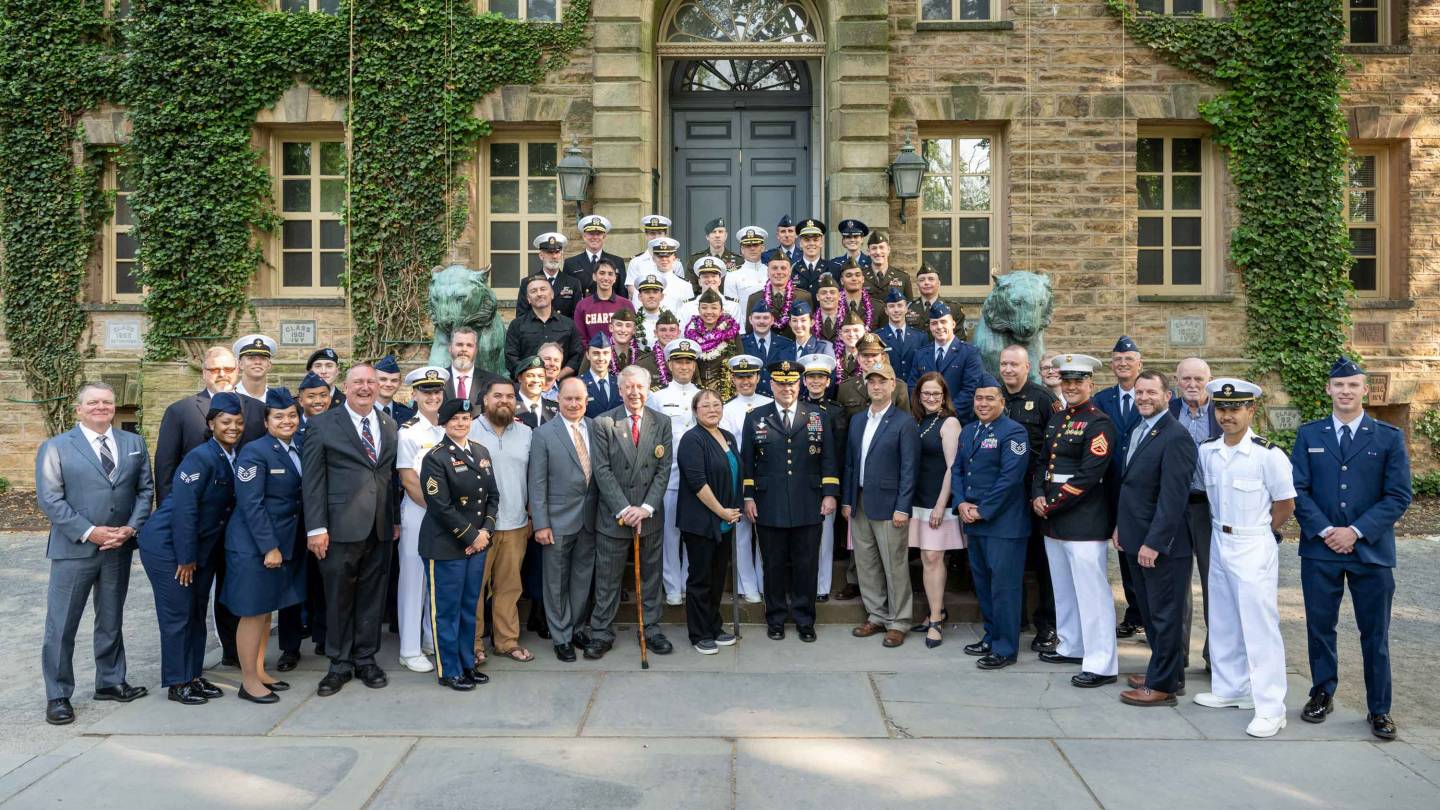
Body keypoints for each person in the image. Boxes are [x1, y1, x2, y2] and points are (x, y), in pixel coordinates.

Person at [1292, 357, 1412, 740]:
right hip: (1320, 548)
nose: (1346, 391)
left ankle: (1379, 708)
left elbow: (1398, 496)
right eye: (1339, 385)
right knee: (1320, 627)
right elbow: (1298, 490)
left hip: (1371, 551)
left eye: (1353, 385)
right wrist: (1328, 530)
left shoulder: (1388, 437)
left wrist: (1356, 531)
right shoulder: (1310, 435)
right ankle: (1322, 693)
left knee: (1374, 633)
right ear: (1328, 389)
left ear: (1365, 390)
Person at [37, 382, 154, 725]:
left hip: (118, 546)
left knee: (111, 618)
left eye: (107, 402)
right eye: (93, 402)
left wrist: (130, 528)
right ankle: (58, 695)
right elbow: (50, 499)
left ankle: (111, 681)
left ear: (114, 407)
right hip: (75, 549)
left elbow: (145, 490)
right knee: (62, 624)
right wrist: (90, 532)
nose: (101, 407)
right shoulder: (56, 447)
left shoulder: (133, 443)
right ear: (79, 409)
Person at [1194, 378, 1296, 738]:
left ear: (1251, 410)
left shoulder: (1268, 455)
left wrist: (1261, 532)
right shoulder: (1208, 451)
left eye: (1235, 408)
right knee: (1222, 618)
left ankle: (1271, 707)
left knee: (1259, 625)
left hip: (1253, 541)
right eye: (1221, 408)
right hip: (1219, 539)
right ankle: (1232, 688)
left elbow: (1285, 505)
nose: (1227, 415)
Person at [153, 345, 266, 668]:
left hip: (237, 524)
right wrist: (176, 530)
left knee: (234, 591)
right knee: (193, 596)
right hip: (197, 523)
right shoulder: (181, 410)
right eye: (215, 369)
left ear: (237, 371)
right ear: (204, 372)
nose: (222, 375)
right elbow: (166, 470)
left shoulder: (256, 410)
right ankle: (188, 666)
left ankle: (234, 653)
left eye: (228, 369)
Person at [138, 391, 243, 706]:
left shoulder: (231, 455)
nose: (233, 427)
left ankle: (194, 675)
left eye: (238, 422)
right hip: (170, 546)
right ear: (211, 423)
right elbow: (185, 511)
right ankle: (177, 682)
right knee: (178, 614)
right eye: (226, 422)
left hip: (197, 548)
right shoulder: (200, 457)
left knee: (196, 612)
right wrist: (185, 558)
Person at [302, 363, 399, 697]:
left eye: (371, 382)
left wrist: (394, 519)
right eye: (358, 381)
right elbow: (312, 481)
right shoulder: (322, 425)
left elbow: (389, 478)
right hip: (339, 528)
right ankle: (339, 664)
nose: (365, 387)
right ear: (345, 385)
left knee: (372, 596)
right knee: (338, 598)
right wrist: (316, 528)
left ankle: (365, 658)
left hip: (380, 527)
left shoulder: (388, 424)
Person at [1030, 354, 1119, 688]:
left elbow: (1088, 475)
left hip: (1083, 520)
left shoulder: (1099, 423)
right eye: (1067, 382)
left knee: (1092, 594)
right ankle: (1072, 645)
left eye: (1078, 382)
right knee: (1064, 589)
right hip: (1054, 520)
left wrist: (1050, 503)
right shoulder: (1057, 419)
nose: (1072, 387)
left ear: (1090, 385)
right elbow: (1043, 462)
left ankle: (1102, 663)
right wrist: (1037, 494)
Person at [1113, 371, 1198, 708]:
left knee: (1164, 615)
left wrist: (1154, 542)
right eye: (1139, 392)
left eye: (1151, 392)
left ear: (1168, 395)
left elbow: (1173, 497)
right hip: (1136, 536)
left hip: (1161, 544)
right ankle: (1168, 672)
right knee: (1149, 613)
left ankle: (1161, 687)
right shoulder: (1140, 427)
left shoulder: (1175, 436)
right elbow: (1132, 485)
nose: (1144, 398)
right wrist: (1123, 527)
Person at [222, 388, 309, 704]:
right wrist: (268, 547)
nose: (287, 421)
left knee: (265, 611)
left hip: (284, 543)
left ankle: (259, 671)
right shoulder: (255, 452)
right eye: (279, 416)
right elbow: (251, 503)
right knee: (253, 611)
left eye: (291, 415)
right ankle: (248, 682)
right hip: (254, 546)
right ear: (267, 421)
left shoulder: (296, 446)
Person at [742, 360, 839, 643]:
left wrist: (830, 493)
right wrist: (748, 496)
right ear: (771, 385)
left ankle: (805, 620)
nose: (787, 388)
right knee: (772, 564)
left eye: (792, 383)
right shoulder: (756, 416)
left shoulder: (817, 416)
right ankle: (775, 619)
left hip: (808, 500)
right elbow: (748, 460)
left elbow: (829, 456)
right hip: (768, 501)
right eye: (781, 383)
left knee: (806, 564)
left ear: (800, 385)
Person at [587, 365, 675, 658]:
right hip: (615, 516)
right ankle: (600, 632)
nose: (634, 393)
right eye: (629, 387)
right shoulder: (603, 423)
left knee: (651, 577)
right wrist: (625, 509)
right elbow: (602, 470)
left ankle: (651, 629)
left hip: (649, 516)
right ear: (620, 389)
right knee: (607, 578)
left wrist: (646, 508)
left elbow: (663, 470)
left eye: (640, 387)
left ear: (648, 389)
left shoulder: (661, 422)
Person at [419, 397, 498, 690]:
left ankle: (467, 663)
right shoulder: (436, 457)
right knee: (447, 612)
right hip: (445, 546)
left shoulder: (480, 451)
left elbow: (492, 497)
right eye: (454, 419)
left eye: (465, 418)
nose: (461, 423)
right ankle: (448, 670)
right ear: (444, 422)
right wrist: (471, 536)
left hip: (477, 545)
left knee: (468, 609)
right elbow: (439, 505)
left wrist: (485, 532)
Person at [953, 374, 1031, 669]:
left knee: (1004, 588)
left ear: (1002, 401)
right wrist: (960, 502)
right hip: (974, 520)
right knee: (983, 585)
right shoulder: (969, 431)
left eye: (989, 398)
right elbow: (958, 470)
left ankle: (1005, 648)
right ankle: (991, 635)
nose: (983, 403)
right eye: (978, 398)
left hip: (1003, 524)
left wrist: (983, 509)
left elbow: (1010, 478)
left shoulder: (1014, 432)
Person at [843, 361, 920, 648]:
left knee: (894, 564)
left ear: (892, 385)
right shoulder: (858, 420)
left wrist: (903, 506)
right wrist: (848, 500)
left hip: (890, 505)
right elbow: (851, 464)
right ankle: (876, 615)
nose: (876, 386)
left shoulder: (904, 422)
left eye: (882, 381)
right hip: (861, 501)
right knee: (866, 563)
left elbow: (909, 469)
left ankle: (899, 621)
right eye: (871, 382)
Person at [528, 378, 599, 662]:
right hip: (556, 521)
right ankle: (560, 637)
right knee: (556, 581)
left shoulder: (595, 428)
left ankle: (577, 627)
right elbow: (537, 482)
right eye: (568, 399)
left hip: (590, 519)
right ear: (558, 401)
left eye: (578, 399)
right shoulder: (544, 434)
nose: (573, 404)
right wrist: (542, 523)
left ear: (586, 401)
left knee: (582, 578)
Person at [468, 376, 535, 663]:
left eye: (510, 396)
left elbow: (534, 477)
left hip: (516, 523)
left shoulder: (526, 433)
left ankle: (506, 641)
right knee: (474, 588)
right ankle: (472, 645)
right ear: (485, 399)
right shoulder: (468, 430)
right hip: (479, 527)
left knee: (509, 587)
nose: (504, 401)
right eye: (498, 396)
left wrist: (531, 514)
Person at [999, 344, 1061, 651]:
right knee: (1012, 558)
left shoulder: (1043, 399)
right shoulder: (994, 396)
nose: (1008, 369)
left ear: (1027, 368)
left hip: (1034, 490)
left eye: (1014, 364)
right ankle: (1016, 619)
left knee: (1042, 560)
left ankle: (1047, 624)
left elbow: (1054, 450)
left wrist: (1042, 491)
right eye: (1004, 364)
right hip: (1003, 494)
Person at [677, 389, 744, 654]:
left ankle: (714, 626)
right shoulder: (691, 440)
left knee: (717, 578)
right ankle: (699, 633)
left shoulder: (727, 437)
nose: (712, 409)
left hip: (725, 519)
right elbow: (698, 483)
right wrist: (722, 511)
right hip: (701, 521)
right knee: (700, 578)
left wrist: (733, 509)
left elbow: (735, 472)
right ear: (695, 411)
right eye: (705, 406)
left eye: (717, 404)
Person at [394, 367, 448, 673]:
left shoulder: (446, 427)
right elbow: (409, 479)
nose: (432, 397)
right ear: (414, 395)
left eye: (437, 391)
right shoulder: (409, 431)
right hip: (419, 513)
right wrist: (439, 510)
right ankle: (409, 649)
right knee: (414, 581)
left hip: (441, 515)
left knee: (435, 579)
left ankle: (429, 640)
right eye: (426, 392)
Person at [1169, 356, 1221, 669]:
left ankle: (1216, 657)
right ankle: (1175, 657)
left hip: (1209, 509)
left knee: (1214, 583)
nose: (1191, 385)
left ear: (1208, 382)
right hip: (1174, 508)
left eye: (1198, 380)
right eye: (1185, 379)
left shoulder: (1223, 412)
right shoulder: (1168, 412)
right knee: (1175, 585)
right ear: (1177, 381)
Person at [1094, 335, 1146, 638]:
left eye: (1128, 359)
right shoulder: (1103, 399)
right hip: (1111, 485)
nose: (1123, 364)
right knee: (1122, 552)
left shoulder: (1150, 395)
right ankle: (1133, 611)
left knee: (1141, 550)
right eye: (1118, 360)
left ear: (1139, 363)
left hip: (1140, 488)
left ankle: (1145, 611)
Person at [907, 372, 964, 649]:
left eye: (936, 394)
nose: (930, 398)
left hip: (936, 502)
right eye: (925, 393)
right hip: (914, 500)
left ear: (944, 397)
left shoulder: (949, 422)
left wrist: (942, 504)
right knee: (924, 557)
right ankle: (934, 611)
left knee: (932, 558)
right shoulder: (916, 421)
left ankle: (936, 620)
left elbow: (954, 467)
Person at [649, 338, 702, 605]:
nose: (684, 366)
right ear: (669, 364)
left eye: (688, 361)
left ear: (695, 365)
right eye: (679, 361)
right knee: (670, 535)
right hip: (668, 476)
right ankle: (672, 587)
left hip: (698, 479)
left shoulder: (704, 396)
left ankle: (690, 583)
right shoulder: (657, 397)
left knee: (692, 534)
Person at [721, 354, 772, 604]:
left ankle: (765, 583)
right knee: (742, 536)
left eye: (749, 376)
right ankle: (747, 585)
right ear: (733, 378)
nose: (745, 381)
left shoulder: (769, 403)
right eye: (740, 377)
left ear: (758, 377)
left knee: (765, 533)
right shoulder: (727, 409)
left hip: (765, 477)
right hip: (739, 478)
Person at [800, 353, 847, 602]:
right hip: (800, 480)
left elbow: (838, 452)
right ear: (804, 381)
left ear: (828, 381)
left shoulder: (837, 411)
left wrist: (833, 486)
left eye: (821, 377)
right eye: (811, 377)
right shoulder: (797, 406)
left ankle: (822, 586)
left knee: (825, 538)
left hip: (825, 481)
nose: (816, 381)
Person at [907, 302, 984, 424]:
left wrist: (946, 413)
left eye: (943, 322)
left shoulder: (970, 353)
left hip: (958, 420)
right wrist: (924, 411)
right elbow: (913, 387)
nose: (939, 327)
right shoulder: (920, 354)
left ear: (953, 324)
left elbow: (970, 389)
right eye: (934, 323)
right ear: (930, 327)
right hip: (925, 420)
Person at [506, 275, 585, 379]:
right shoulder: (516, 325)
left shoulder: (569, 324)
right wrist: (531, 376)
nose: (539, 294)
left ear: (552, 294)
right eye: (533, 291)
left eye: (543, 289)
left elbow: (577, 356)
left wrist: (557, 378)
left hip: (560, 386)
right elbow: (511, 357)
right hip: (528, 384)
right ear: (528, 299)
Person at [684, 285, 743, 399]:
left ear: (721, 310)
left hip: (726, 388)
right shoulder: (691, 333)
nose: (709, 312)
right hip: (696, 387)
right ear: (699, 310)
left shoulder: (730, 332)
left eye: (714, 308)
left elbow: (738, 361)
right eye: (704, 307)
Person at [836, 333, 910, 416]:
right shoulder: (845, 387)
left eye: (874, 355)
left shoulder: (898, 387)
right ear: (858, 358)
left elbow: (904, 422)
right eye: (865, 355)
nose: (870, 359)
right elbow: (842, 425)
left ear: (882, 358)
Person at [746, 253, 815, 341]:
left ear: (790, 272)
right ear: (768, 272)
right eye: (774, 268)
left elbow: (809, 331)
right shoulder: (754, 298)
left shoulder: (804, 297)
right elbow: (749, 332)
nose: (779, 272)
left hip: (795, 350)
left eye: (783, 268)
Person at [516, 232, 582, 319]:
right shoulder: (528, 283)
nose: (554, 256)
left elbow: (577, 317)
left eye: (557, 252)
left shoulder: (573, 283)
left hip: (564, 331)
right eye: (549, 252)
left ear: (561, 255)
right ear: (541, 256)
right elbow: (521, 316)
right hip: (536, 331)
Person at [740, 299, 797, 397]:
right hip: (749, 398)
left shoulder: (786, 344)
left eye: (766, 318)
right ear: (750, 320)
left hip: (777, 399)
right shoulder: (741, 343)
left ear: (772, 320)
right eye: (757, 318)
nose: (761, 321)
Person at [573, 257, 635, 344]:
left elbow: (631, 333)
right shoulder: (582, 305)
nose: (606, 278)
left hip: (620, 355)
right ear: (594, 276)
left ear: (615, 278)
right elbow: (580, 337)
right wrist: (590, 352)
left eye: (610, 274)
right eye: (602, 273)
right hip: (592, 355)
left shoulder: (626, 304)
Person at [566, 214, 626, 295]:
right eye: (591, 234)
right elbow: (567, 294)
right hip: (583, 307)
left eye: (598, 234)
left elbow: (622, 293)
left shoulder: (617, 262)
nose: (594, 237)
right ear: (584, 236)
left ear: (604, 237)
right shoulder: (571, 263)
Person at [444, 326, 504, 407]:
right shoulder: (440, 379)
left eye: (469, 345)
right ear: (450, 348)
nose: (464, 349)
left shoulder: (492, 381)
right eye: (459, 344)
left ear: (476, 350)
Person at [876, 288, 924, 384]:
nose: (896, 310)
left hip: (914, 390)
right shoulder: (877, 337)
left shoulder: (920, 337)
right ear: (886, 310)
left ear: (906, 308)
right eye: (892, 306)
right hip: (889, 390)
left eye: (900, 305)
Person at [633, 236, 691, 313]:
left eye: (668, 255)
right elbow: (637, 309)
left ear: (674, 258)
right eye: (660, 256)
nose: (664, 259)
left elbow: (689, 313)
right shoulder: (642, 283)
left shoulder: (685, 285)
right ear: (653, 258)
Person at [686, 216, 742, 295]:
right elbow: (691, 287)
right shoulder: (695, 260)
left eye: (720, 231)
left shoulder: (738, 260)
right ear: (707, 237)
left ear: (726, 236)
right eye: (713, 232)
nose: (717, 235)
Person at [625, 214, 674, 296]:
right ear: (646, 235)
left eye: (659, 233)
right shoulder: (636, 262)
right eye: (652, 233)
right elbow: (632, 290)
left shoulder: (675, 263)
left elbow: (679, 287)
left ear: (665, 235)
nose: (656, 237)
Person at [862, 231, 914, 301]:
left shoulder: (903, 277)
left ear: (888, 250)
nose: (878, 252)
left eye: (881, 247)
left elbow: (909, 305)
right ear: (868, 251)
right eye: (874, 248)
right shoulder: (860, 276)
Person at [725, 225, 770, 307]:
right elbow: (731, 307)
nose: (752, 249)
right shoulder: (733, 275)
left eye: (756, 245)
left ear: (762, 248)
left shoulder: (771, 272)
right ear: (742, 250)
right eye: (748, 246)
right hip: (743, 319)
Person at [581, 333, 623, 417]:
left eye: (605, 353)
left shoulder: (620, 383)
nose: (601, 358)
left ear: (611, 355)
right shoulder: (578, 384)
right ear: (588, 355)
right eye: (596, 353)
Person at [515, 354, 559, 427]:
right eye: (530, 376)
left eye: (540, 376)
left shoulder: (556, 409)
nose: (536, 380)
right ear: (520, 378)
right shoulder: (508, 407)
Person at [792, 218, 832, 295]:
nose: (811, 243)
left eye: (815, 239)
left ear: (821, 243)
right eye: (807, 240)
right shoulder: (792, 269)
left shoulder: (832, 268)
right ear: (800, 243)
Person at [837, 260, 880, 331]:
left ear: (863, 279)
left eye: (857, 275)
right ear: (842, 281)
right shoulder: (834, 306)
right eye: (849, 275)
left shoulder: (877, 307)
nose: (854, 278)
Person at [373, 354, 415, 424]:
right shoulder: (361, 411)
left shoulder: (408, 415)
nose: (389, 384)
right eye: (383, 379)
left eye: (394, 380)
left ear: (399, 383)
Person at [233, 334, 276, 401]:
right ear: (240, 364)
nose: (258, 362)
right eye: (251, 358)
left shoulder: (277, 398)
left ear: (269, 365)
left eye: (263, 358)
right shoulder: (229, 398)